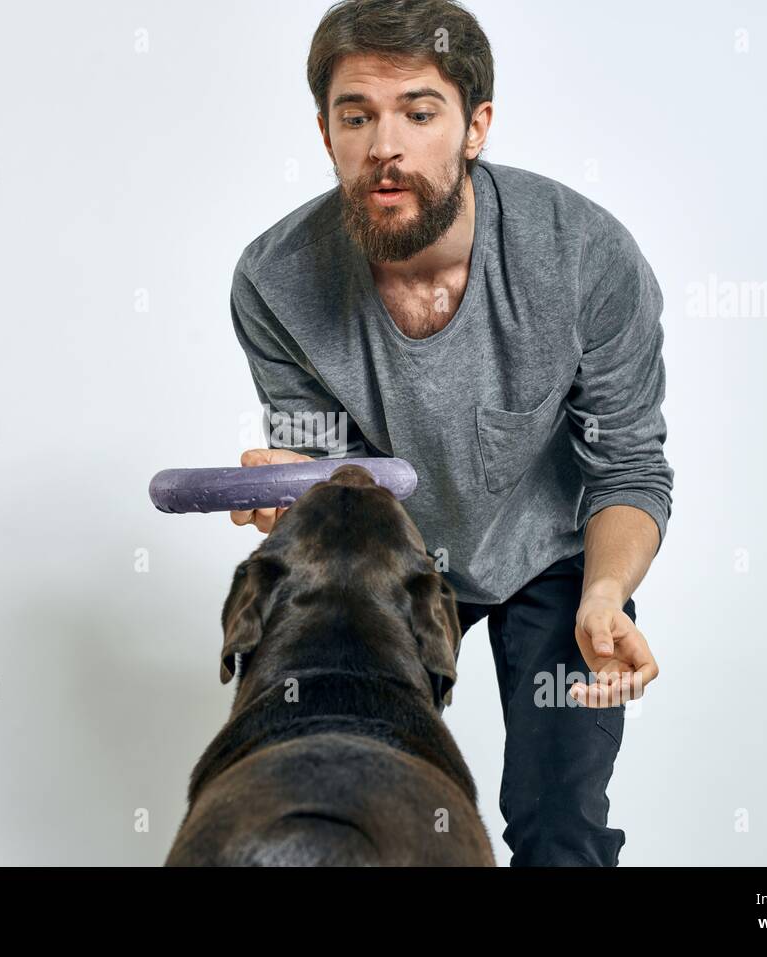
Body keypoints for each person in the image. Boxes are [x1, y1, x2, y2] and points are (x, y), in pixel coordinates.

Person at [227, 0, 672, 866]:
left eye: (419, 112)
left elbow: (627, 466)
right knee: (353, 801)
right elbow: (327, 466)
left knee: (560, 827)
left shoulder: (582, 256)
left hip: (552, 558)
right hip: (392, 556)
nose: (384, 144)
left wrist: (606, 593)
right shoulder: (275, 279)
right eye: (357, 115)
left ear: (475, 127)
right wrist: (300, 486)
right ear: (326, 133)